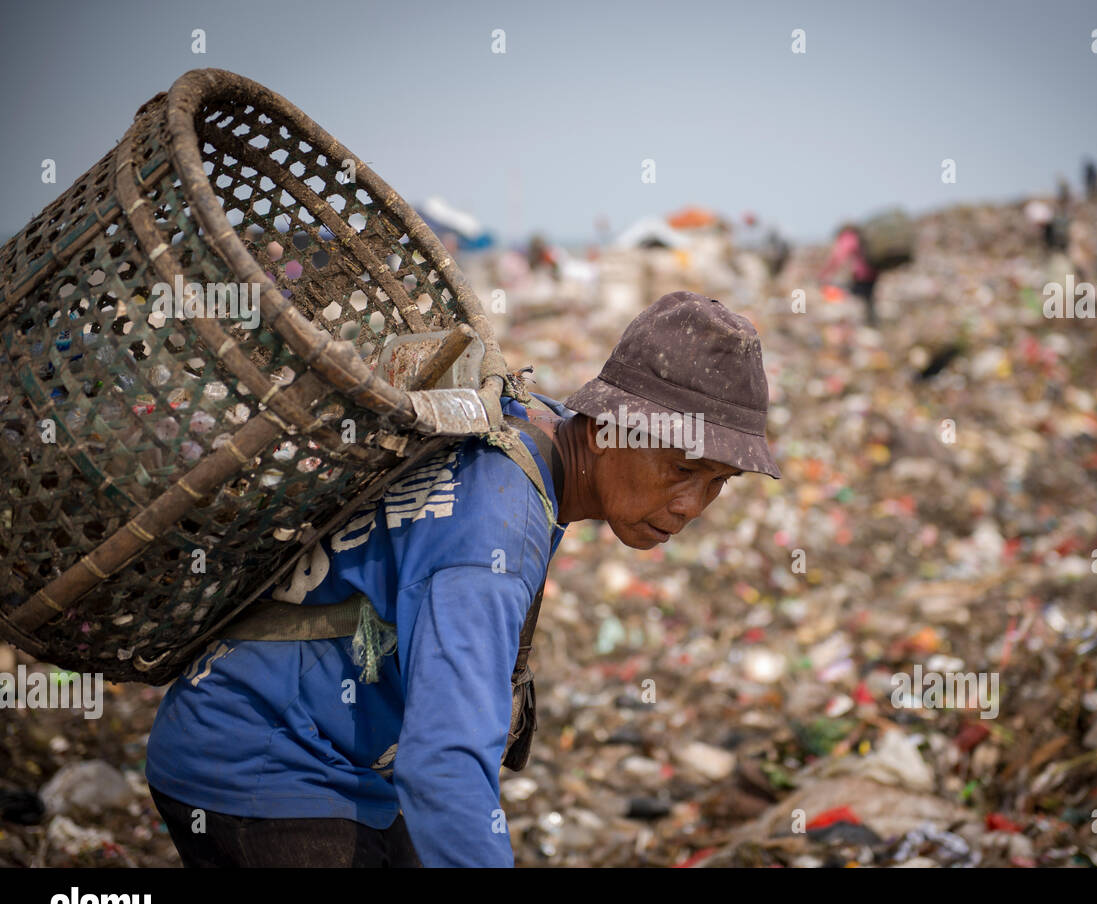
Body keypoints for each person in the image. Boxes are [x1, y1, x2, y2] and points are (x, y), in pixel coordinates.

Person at [145, 291, 781, 867]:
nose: (692, 506)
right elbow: (444, 762)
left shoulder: (525, 425)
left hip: (339, 759)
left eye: (718, 483)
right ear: (609, 426)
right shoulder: (493, 535)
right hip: (262, 765)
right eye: (681, 468)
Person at [819, 224, 878, 324]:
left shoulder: (848, 238)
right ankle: (871, 321)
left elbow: (837, 258)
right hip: (872, 273)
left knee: (856, 298)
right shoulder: (859, 237)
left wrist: (824, 274)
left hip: (862, 275)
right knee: (867, 299)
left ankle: (864, 322)